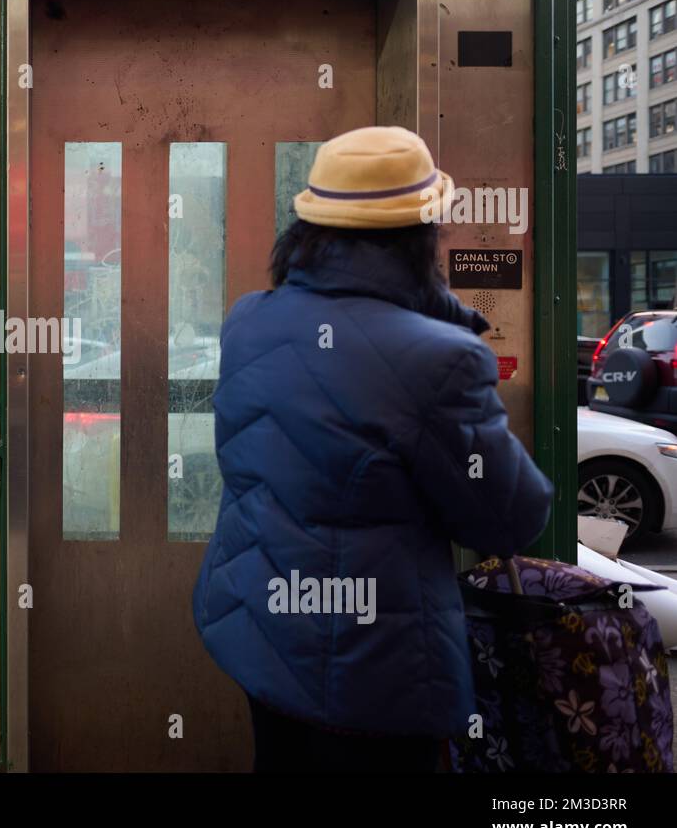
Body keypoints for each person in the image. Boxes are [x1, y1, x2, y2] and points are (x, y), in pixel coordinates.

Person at [191, 126, 554, 773]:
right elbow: (511, 518)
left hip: (260, 633)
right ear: (424, 233)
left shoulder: (249, 320)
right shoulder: (443, 359)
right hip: (377, 669)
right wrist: (449, 323)